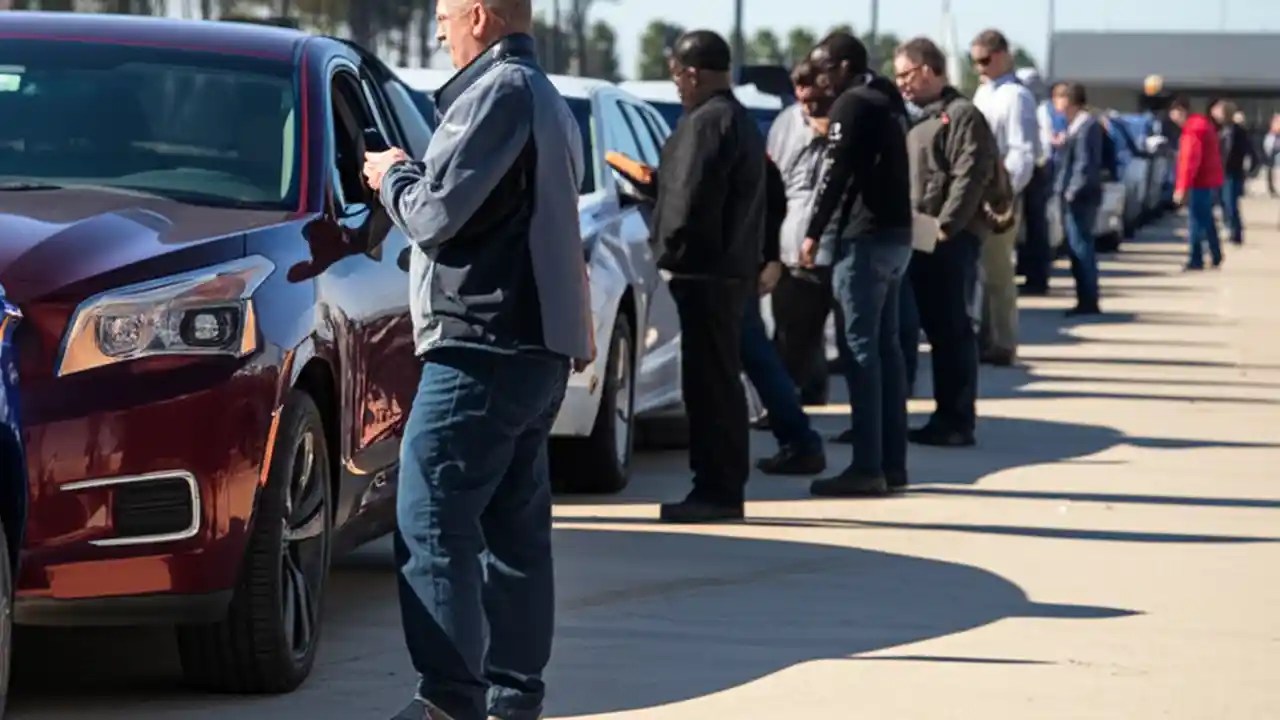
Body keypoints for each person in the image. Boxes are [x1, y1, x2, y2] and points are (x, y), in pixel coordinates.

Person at [361, 2, 592, 719]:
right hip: (534, 348)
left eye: (444, 13)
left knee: (430, 520)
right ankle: (512, 700)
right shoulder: (545, 97)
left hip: (482, 347)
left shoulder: (499, 93)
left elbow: (434, 215)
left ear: (481, 15)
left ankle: (449, 702)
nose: (437, 28)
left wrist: (392, 174)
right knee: (514, 538)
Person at [652, 30, 767, 522]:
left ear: (693, 73)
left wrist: (667, 249)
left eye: (677, 74)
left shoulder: (704, 123)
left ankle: (716, 491)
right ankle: (722, 486)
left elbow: (686, 201)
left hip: (704, 274)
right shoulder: (738, 120)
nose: (676, 85)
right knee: (720, 381)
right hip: (731, 271)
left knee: (709, 387)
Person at [800, 31, 914, 497]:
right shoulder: (888, 100)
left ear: (844, 67)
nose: (819, 79)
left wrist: (813, 231)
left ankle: (867, 466)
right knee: (886, 352)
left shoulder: (852, 105)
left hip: (864, 240)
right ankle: (892, 462)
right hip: (896, 237)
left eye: (825, 69)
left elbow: (835, 173)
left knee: (861, 352)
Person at [893, 36, 994, 449]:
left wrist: (946, 229)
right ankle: (942, 415)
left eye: (906, 74)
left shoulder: (963, 116)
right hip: (920, 239)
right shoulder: (918, 119)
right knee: (934, 331)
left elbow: (970, 177)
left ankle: (956, 420)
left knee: (952, 332)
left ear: (928, 71)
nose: (900, 83)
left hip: (948, 242)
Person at [744, 158, 827, 475]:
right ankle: (799, 440)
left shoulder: (727, 129)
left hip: (730, 268)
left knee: (756, 353)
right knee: (755, 353)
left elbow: (773, 200)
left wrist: (770, 258)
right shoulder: (744, 132)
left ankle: (800, 441)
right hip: (732, 264)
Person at [768, 60, 837, 406]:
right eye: (800, 91)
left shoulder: (843, 121)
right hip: (791, 241)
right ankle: (797, 393)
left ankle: (809, 388)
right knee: (792, 329)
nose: (806, 100)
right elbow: (774, 177)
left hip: (834, 244)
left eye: (813, 91)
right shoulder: (786, 123)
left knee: (816, 329)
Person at [971, 29, 1039, 367]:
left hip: (1000, 196)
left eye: (985, 60)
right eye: (976, 62)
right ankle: (986, 336)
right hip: (978, 193)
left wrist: (1004, 195)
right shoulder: (984, 93)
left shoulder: (1016, 97)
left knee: (998, 271)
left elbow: (1023, 152)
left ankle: (1003, 341)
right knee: (982, 271)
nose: (980, 68)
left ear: (1003, 55)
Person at [1052, 82, 1105, 316]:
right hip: (1077, 194)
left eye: (1058, 98)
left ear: (1068, 99)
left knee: (1081, 246)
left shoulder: (1086, 125)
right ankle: (1084, 297)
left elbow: (1085, 163)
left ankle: (1088, 300)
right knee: (1077, 246)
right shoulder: (1076, 126)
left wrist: (1072, 190)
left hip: (1081, 197)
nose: (1055, 104)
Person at [1169, 95, 1225, 271]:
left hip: (1199, 182)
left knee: (1195, 221)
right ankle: (1215, 253)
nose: (1175, 120)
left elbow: (1188, 161)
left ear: (1181, 111)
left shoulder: (1192, 130)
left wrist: (1182, 187)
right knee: (1206, 219)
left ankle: (1196, 258)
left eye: (1175, 116)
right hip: (1208, 180)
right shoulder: (1202, 126)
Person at [1014, 67, 1055, 297]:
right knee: (1029, 228)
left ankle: (1037, 278)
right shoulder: (1034, 106)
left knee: (1035, 227)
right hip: (1034, 170)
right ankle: (1031, 273)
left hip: (1036, 172)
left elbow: (1043, 147)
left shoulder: (1040, 110)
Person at [1210, 99, 1255, 245]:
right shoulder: (1219, 130)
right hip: (1220, 172)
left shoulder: (1237, 131)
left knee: (1230, 202)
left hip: (1232, 171)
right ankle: (1229, 228)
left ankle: (1235, 232)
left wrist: (1250, 169)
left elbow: (1249, 151)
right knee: (1222, 202)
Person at [1263, 113, 1280, 198]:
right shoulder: (1270, 136)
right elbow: (1267, 147)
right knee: (1273, 172)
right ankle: (1273, 189)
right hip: (1273, 156)